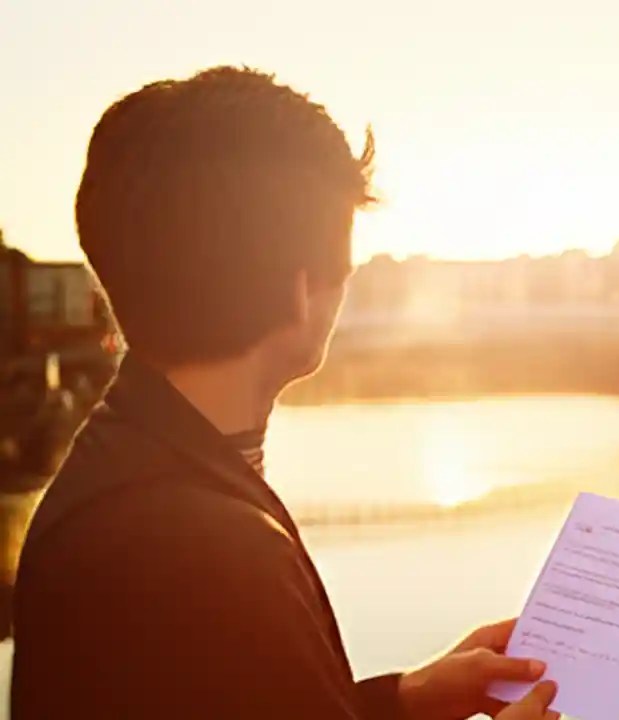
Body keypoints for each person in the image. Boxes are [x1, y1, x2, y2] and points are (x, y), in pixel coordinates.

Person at [11, 66, 558, 720]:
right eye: (344, 272)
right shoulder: (219, 554)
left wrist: (404, 701)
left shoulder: (115, 469)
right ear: (302, 291)